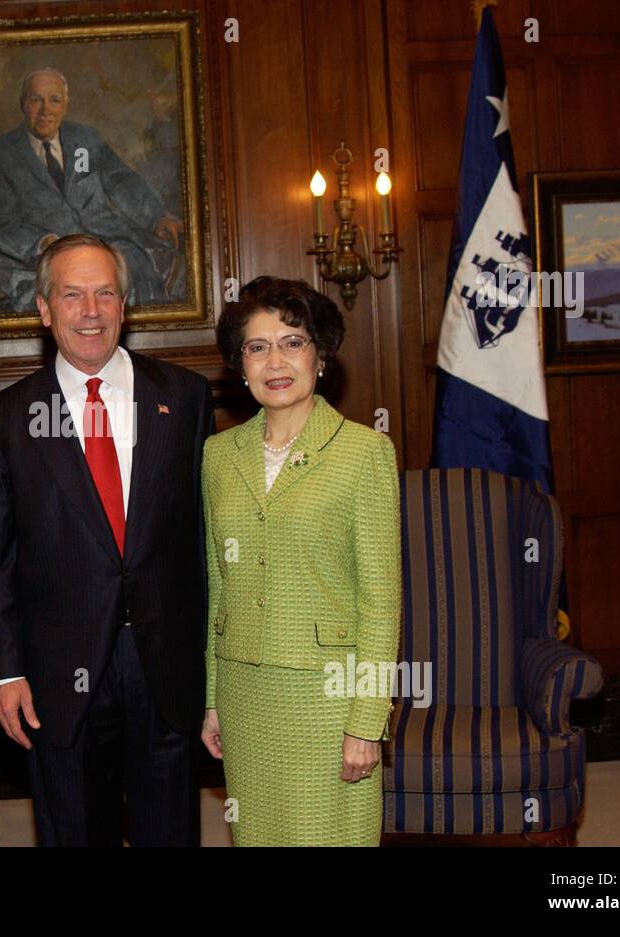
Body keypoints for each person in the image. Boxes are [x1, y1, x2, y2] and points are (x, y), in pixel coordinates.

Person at [0, 234, 214, 845]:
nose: (91, 310)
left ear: (124, 307)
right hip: (57, 671)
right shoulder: (4, 417)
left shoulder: (184, 398)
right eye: (72, 294)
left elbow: (205, 538)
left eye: (106, 293)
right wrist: (5, 674)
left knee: (170, 832)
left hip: (165, 665)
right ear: (45, 309)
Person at [199, 276, 402, 845]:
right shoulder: (218, 455)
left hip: (327, 700)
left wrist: (368, 721)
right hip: (244, 698)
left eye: (292, 341)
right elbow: (219, 584)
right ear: (241, 365)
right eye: (257, 347)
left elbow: (381, 605)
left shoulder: (364, 452)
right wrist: (213, 700)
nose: (275, 361)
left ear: (320, 354)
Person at [0, 66, 184, 311]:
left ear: (66, 104)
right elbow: (3, 224)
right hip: (46, 256)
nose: (45, 110)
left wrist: (156, 218)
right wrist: (44, 243)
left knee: (138, 270)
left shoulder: (85, 139)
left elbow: (121, 181)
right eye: (36, 100)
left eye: (54, 100)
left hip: (109, 242)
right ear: (23, 104)